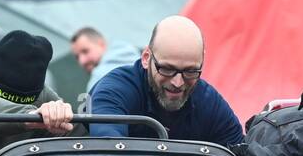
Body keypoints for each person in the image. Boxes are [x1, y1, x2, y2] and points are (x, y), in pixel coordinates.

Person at [88, 15, 243, 145]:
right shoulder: (114, 91)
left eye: (190, 71)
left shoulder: (210, 103)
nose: (178, 83)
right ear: (146, 58)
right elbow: (107, 149)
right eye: (167, 69)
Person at [70, 26, 140, 90]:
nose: (82, 61)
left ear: (101, 44)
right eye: (77, 57)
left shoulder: (99, 80)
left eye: (85, 51)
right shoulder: (140, 63)